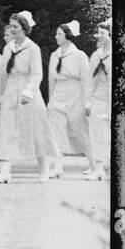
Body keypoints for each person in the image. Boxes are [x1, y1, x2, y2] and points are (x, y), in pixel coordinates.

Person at [0, 11, 58, 184]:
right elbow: (1, 74)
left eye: (15, 26)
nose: (12, 29)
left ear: (24, 28)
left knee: (36, 130)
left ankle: (44, 169)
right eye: (11, 26)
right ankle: (5, 172)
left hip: (29, 93)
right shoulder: (7, 48)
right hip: (11, 92)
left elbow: (37, 74)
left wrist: (28, 91)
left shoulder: (33, 48)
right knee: (6, 130)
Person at [46, 20, 96, 179]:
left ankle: (95, 165)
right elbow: (51, 79)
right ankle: (57, 166)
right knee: (55, 130)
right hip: (58, 93)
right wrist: (50, 99)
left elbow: (87, 79)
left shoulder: (79, 55)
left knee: (79, 130)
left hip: (76, 93)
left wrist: (87, 101)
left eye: (59, 34)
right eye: (56, 33)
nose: (56, 36)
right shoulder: (55, 55)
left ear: (67, 36)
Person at [86, 19, 112, 181]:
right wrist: (88, 101)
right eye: (99, 33)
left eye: (103, 33)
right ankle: (99, 168)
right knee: (96, 134)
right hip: (97, 98)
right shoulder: (96, 55)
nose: (99, 36)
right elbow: (90, 80)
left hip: (112, 98)